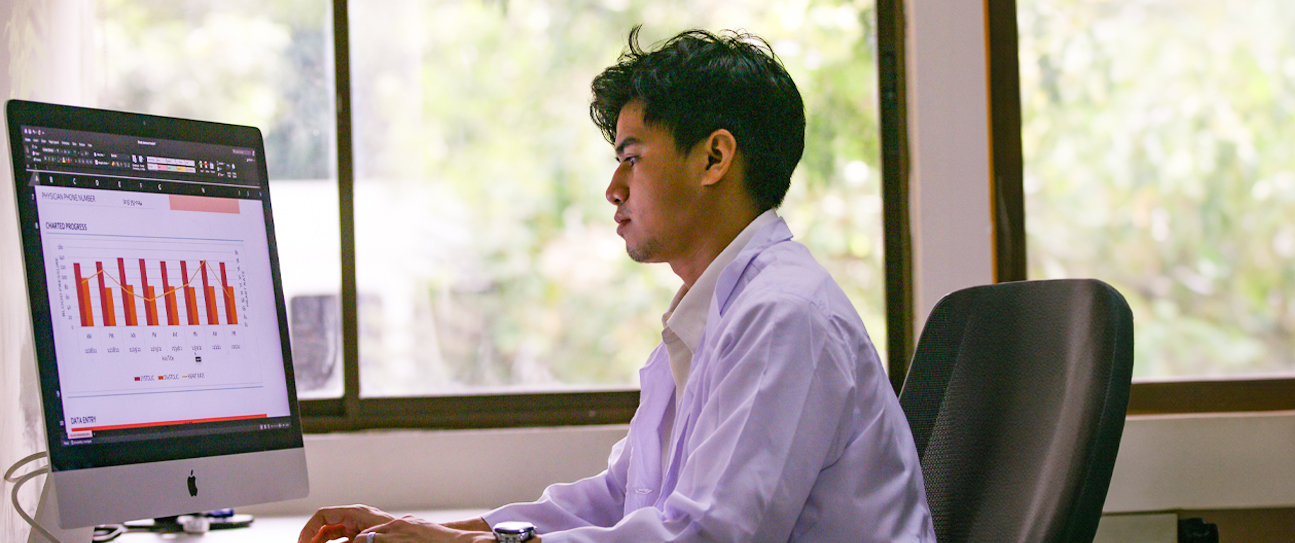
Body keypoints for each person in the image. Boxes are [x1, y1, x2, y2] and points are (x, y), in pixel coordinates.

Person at [298, 27, 935, 543]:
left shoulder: (784, 315)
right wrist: (433, 532)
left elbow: (710, 536)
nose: (613, 188)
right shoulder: (716, 313)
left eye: (632, 158)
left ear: (714, 157)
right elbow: (617, 498)